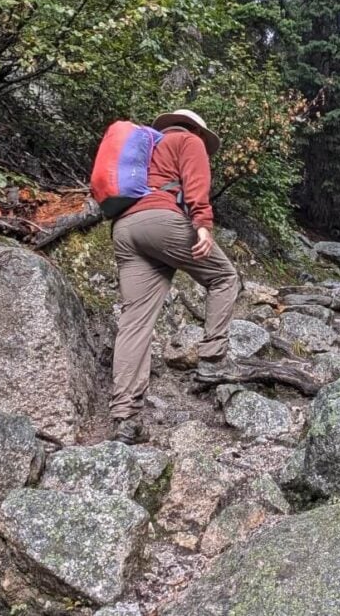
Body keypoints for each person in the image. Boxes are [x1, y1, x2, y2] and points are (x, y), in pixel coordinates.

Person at [109, 108, 239, 444]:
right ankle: (211, 360)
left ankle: (125, 418)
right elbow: (196, 186)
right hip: (160, 221)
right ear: (197, 129)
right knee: (224, 278)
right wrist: (203, 226)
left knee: (135, 321)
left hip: (125, 229)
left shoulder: (149, 149)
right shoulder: (189, 140)